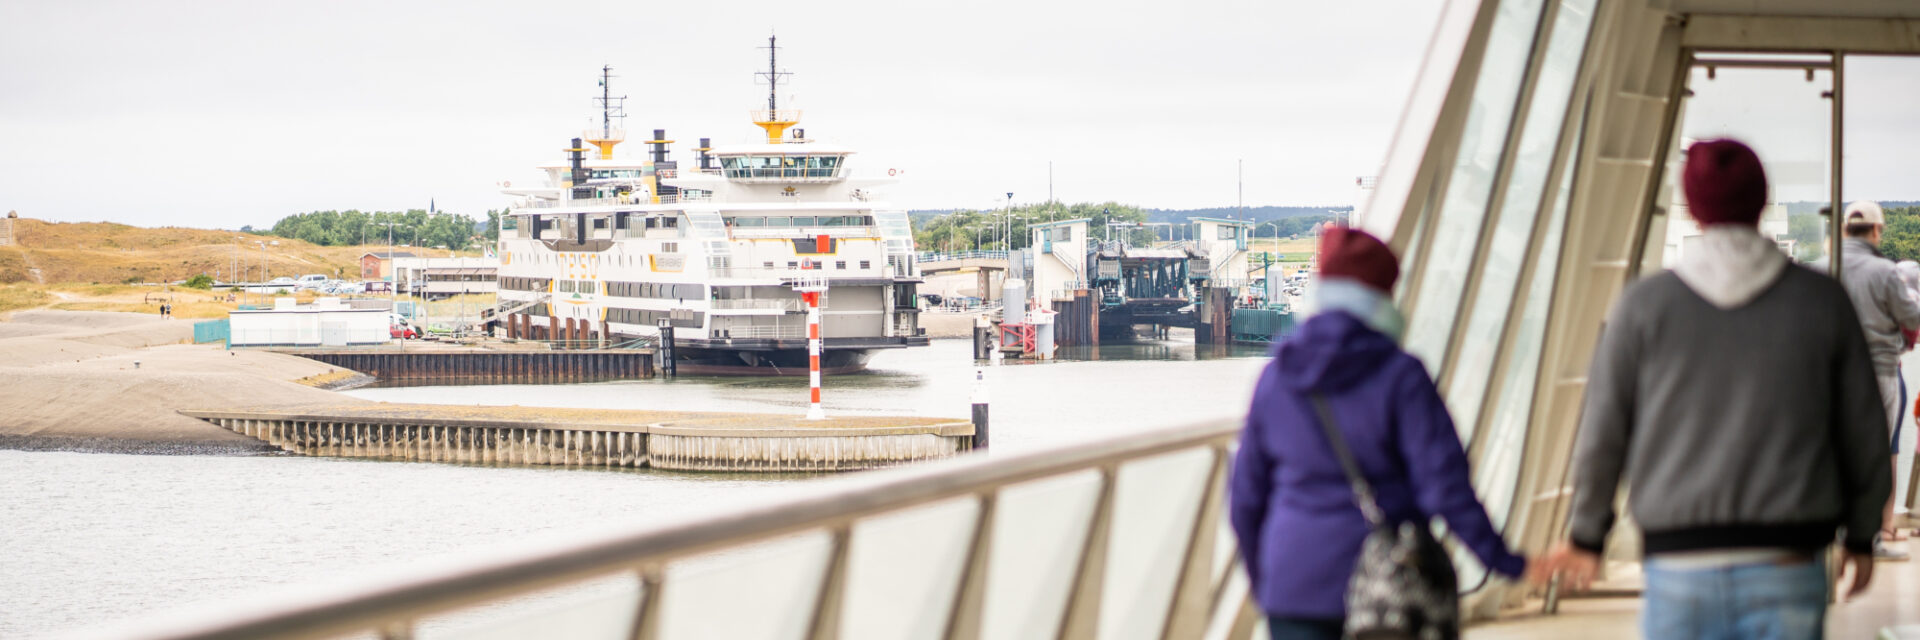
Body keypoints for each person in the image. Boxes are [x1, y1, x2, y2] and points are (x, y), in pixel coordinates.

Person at [1540, 140, 1891, 639]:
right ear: (1761, 199)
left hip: (1678, 565)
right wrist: (1860, 533)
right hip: (1790, 560)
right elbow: (1864, 429)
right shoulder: (1820, 302)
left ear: (1693, 203)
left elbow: (1603, 432)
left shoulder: (1643, 306)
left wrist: (1587, 535)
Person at [1229, 226, 1529, 640]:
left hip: (1294, 585)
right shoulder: (1401, 376)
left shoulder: (1276, 378)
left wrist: (1267, 583)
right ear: (1381, 299)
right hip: (1390, 586)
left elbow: (1245, 497)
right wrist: (1503, 560)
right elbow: (1444, 485)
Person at [1824, 200, 1920, 553]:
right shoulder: (1885, 272)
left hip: (1829, 377)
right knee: (1875, 455)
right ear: (1877, 231)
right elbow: (1913, 318)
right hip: (1878, 372)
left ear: (1846, 229)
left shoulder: (1821, 268)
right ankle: (1870, 538)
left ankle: (1832, 534)